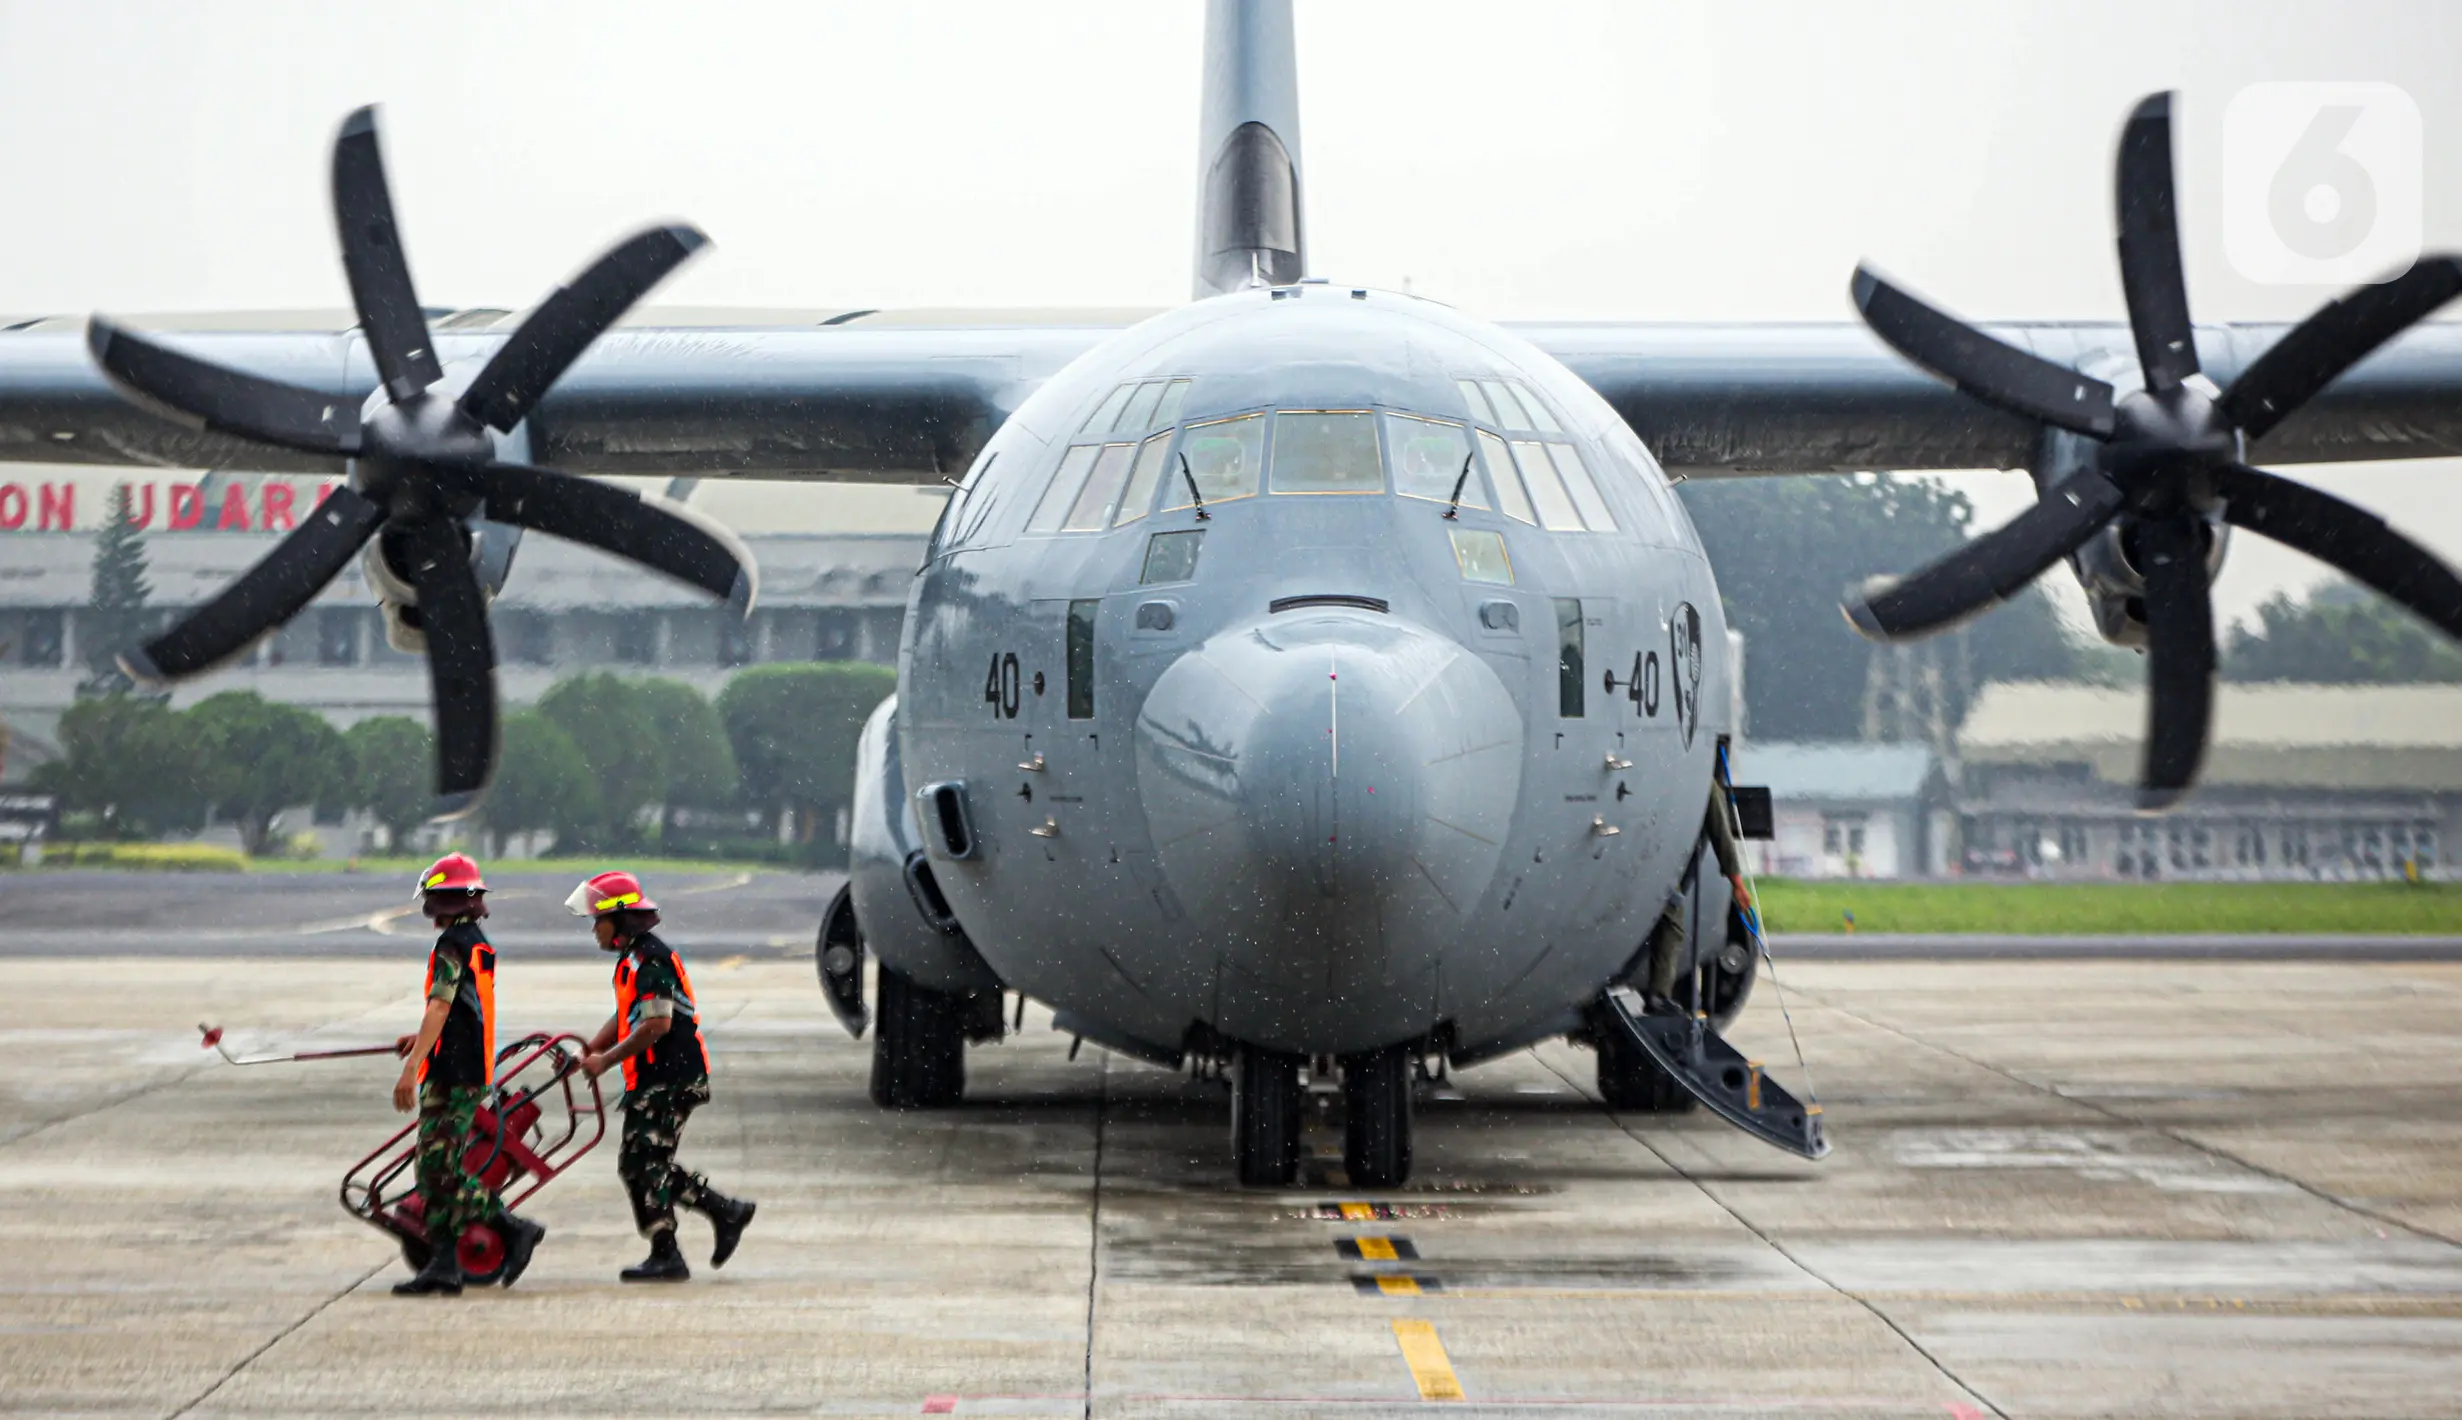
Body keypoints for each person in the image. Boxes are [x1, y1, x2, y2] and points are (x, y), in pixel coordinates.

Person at [568, 869, 755, 1282]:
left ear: (619, 921)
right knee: (643, 1162)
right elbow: (626, 1015)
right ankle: (721, 1213)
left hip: (670, 1078)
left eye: (597, 920)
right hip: (658, 1078)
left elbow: (656, 1025)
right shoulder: (633, 961)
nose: (594, 929)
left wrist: (605, 1062)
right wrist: (589, 1051)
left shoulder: (649, 960)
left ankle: (674, 1247)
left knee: (641, 1163)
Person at [390, 852, 546, 1296]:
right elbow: (459, 1010)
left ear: (444, 901)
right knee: (435, 1169)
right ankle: (443, 1263)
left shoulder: (452, 946)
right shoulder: (477, 941)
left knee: (439, 1169)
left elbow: (441, 1005)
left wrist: (412, 1065)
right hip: (464, 1063)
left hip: (454, 1072)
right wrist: (419, 1040)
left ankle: (512, 1227)